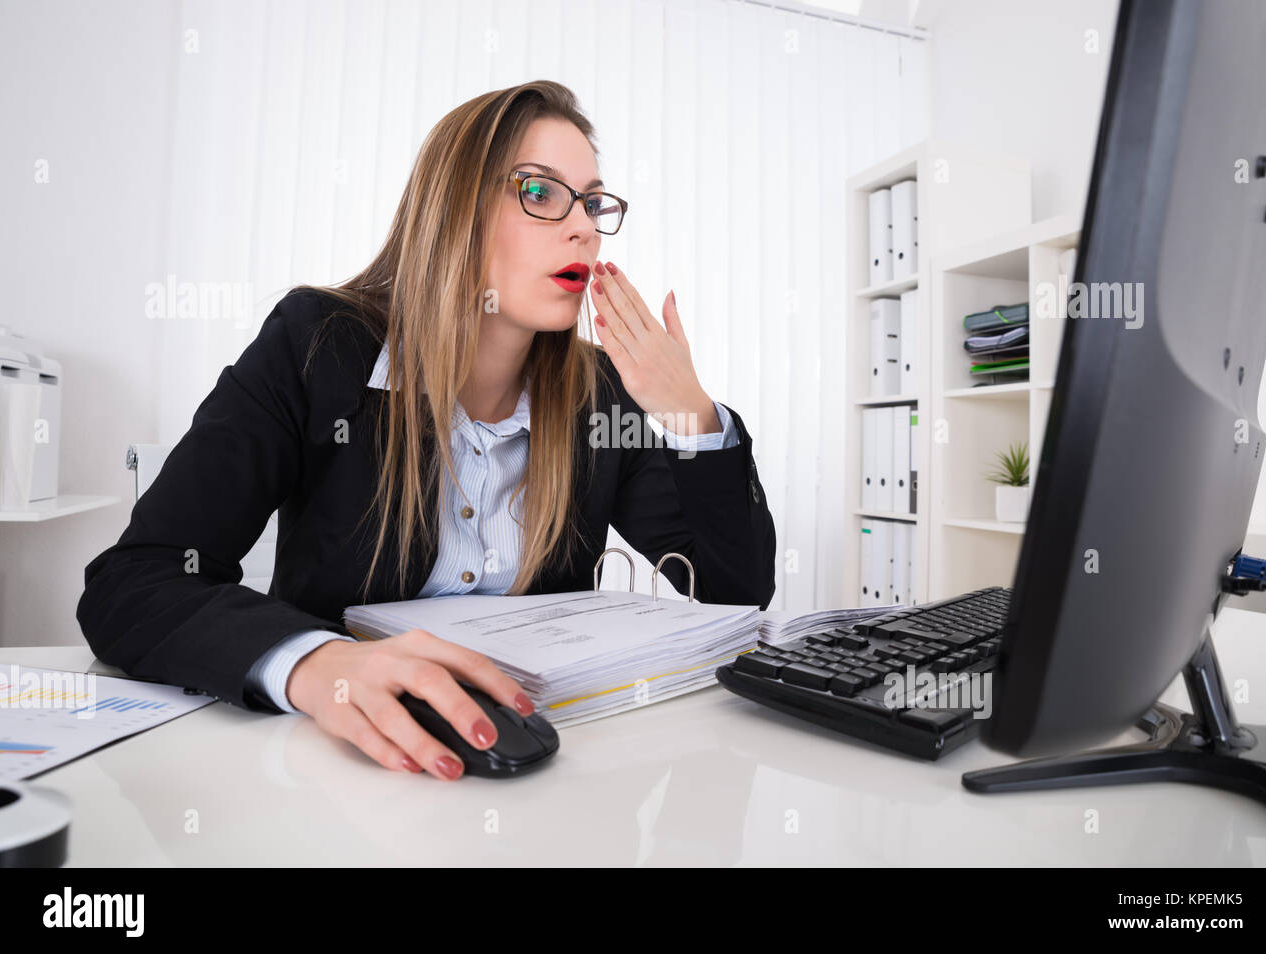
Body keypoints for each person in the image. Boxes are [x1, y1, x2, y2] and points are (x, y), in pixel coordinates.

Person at [77, 80, 776, 782]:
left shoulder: (598, 390)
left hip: (557, 771)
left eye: (592, 201)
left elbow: (735, 590)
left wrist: (693, 414)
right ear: (454, 209)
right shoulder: (318, 345)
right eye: (540, 192)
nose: (584, 228)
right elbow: (133, 582)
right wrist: (320, 664)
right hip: (339, 772)